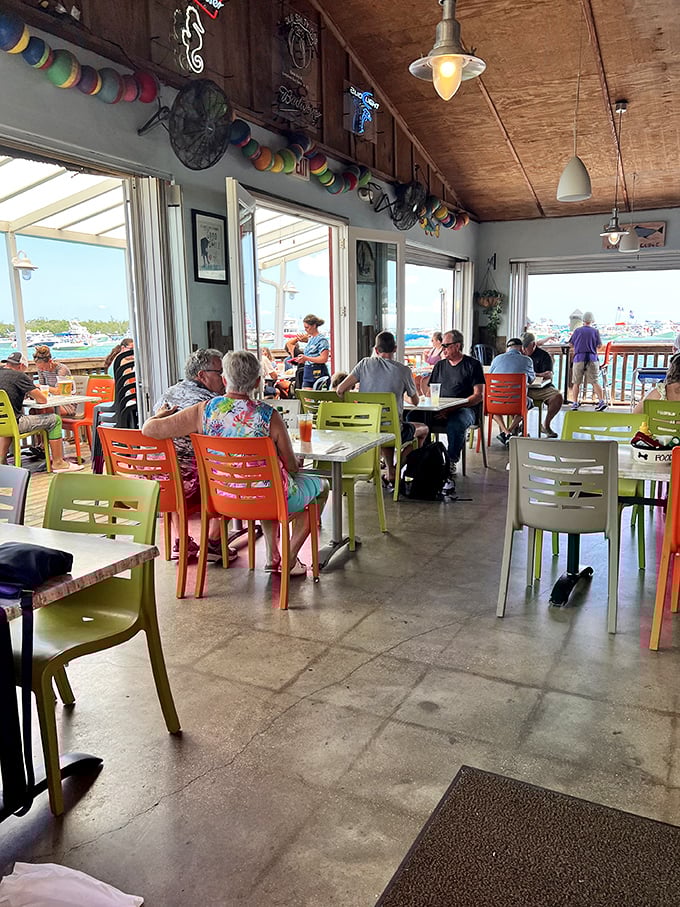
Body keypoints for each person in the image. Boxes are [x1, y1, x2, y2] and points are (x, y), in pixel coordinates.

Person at [142, 350, 329, 577]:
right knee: (318, 487)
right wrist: (291, 465)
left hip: (222, 498)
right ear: (258, 382)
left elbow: (149, 430)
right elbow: (291, 467)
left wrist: (158, 415)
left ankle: (273, 556)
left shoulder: (204, 411)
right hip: (267, 498)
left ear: (224, 379)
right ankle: (288, 556)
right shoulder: (269, 415)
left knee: (266, 483)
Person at [154, 348, 236, 563]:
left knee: (173, 471)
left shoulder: (168, 394)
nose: (224, 377)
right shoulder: (212, 404)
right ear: (202, 375)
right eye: (220, 372)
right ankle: (213, 540)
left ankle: (183, 540)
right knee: (232, 473)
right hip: (197, 486)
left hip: (161, 486)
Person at [335, 331, 428, 490]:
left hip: (367, 428)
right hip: (392, 430)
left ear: (376, 350)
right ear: (395, 349)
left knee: (384, 428)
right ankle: (396, 468)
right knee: (423, 429)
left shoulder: (364, 364)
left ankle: (390, 471)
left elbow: (340, 389)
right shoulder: (404, 370)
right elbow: (415, 401)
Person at [0, 352, 83, 472]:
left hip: (3, 424)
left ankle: (2, 462)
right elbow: (42, 400)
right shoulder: (19, 376)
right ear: (21, 366)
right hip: (16, 424)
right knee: (55, 420)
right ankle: (58, 463)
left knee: (12, 420)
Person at [417, 330, 484, 474]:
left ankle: (451, 460)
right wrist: (437, 407)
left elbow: (478, 396)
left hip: (466, 409)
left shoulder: (473, 365)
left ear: (457, 346)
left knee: (456, 423)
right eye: (442, 345)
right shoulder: (440, 366)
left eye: (446, 345)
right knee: (414, 418)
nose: (443, 349)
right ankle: (426, 456)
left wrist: (452, 408)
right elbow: (430, 392)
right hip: (439, 408)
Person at [488, 338, 535, 446]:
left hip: (495, 403)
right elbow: (531, 380)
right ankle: (509, 431)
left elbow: (490, 376)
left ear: (507, 348)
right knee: (527, 404)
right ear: (521, 348)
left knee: (492, 407)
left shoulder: (497, 359)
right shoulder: (527, 360)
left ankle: (505, 432)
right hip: (516, 403)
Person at [521, 332, 564, 438]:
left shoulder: (544, 355)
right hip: (521, 387)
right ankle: (518, 426)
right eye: (522, 347)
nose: (524, 350)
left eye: (526, 347)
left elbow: (548, 374)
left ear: (533, 344)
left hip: (541, 388)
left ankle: (546, 424)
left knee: (557, 397)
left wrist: (533, 374)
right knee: (511, 398)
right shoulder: (518, 355)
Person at [568, 311, 606, 411]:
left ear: (583, 320)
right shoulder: (595, 331)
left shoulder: (577, 331)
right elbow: (599, 345)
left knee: (576, 383)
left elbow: (570, 344)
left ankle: (575, 403)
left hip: (579, 358)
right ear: (592, 320)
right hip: (592, 359)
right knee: (595, 382)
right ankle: (601, 401)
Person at [31, 345, 76, 416]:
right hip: (50, 401)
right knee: (33, 411)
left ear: (50, 361)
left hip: (66, 404)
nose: (42, 370)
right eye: (40, 368)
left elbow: (59, 391)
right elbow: (42, 389)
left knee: (45, 411)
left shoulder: (62, 369)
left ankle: (50, 426)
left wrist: (41, 386)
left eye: (44, 368)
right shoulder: (41, 370)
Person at [293, 315, 330, 389]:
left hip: (318, 371)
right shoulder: (310, 339)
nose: (306, 330)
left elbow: (324, 359)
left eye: (307, 327)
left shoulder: (322, 340)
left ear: (314, 326)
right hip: (308, 370)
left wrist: (307, 358)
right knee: (306, 395)